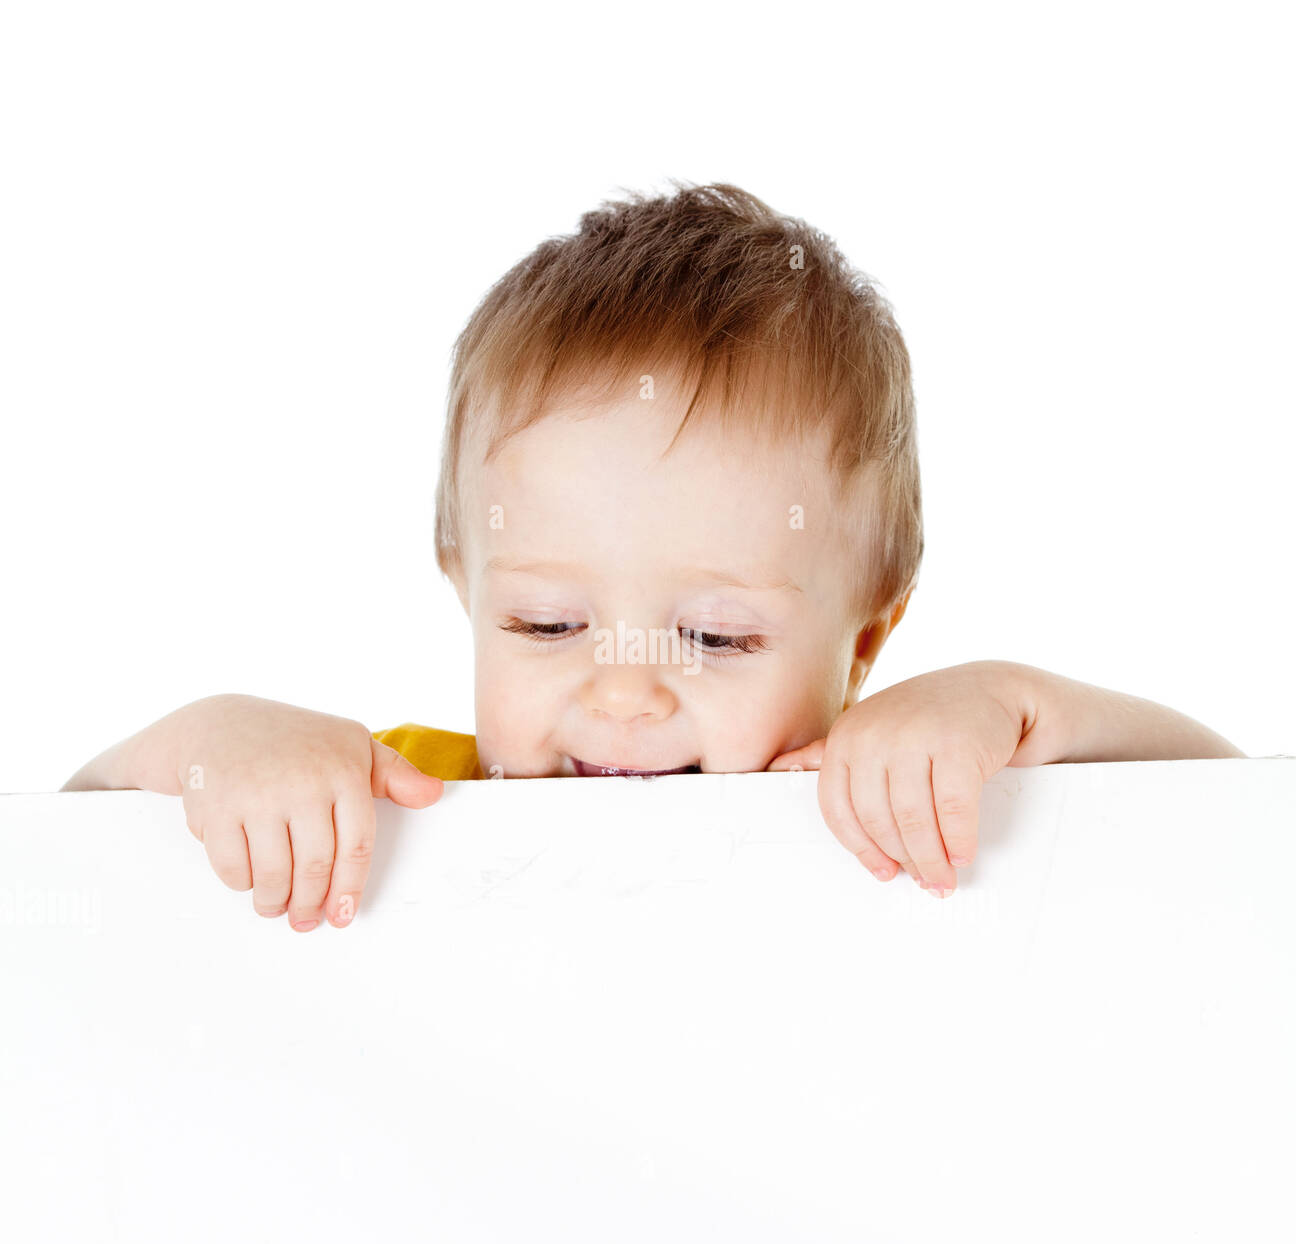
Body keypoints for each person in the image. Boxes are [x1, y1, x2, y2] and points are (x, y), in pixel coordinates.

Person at [62, 182, 1243, 929]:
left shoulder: (891, 800)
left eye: (718, 636)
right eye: (545, 624)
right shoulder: (409, 798)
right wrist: (216, 742)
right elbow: (63, 860)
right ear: (465, 589)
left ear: (868, 638)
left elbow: (1230, 822)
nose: (623, 691)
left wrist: (1013, 708)